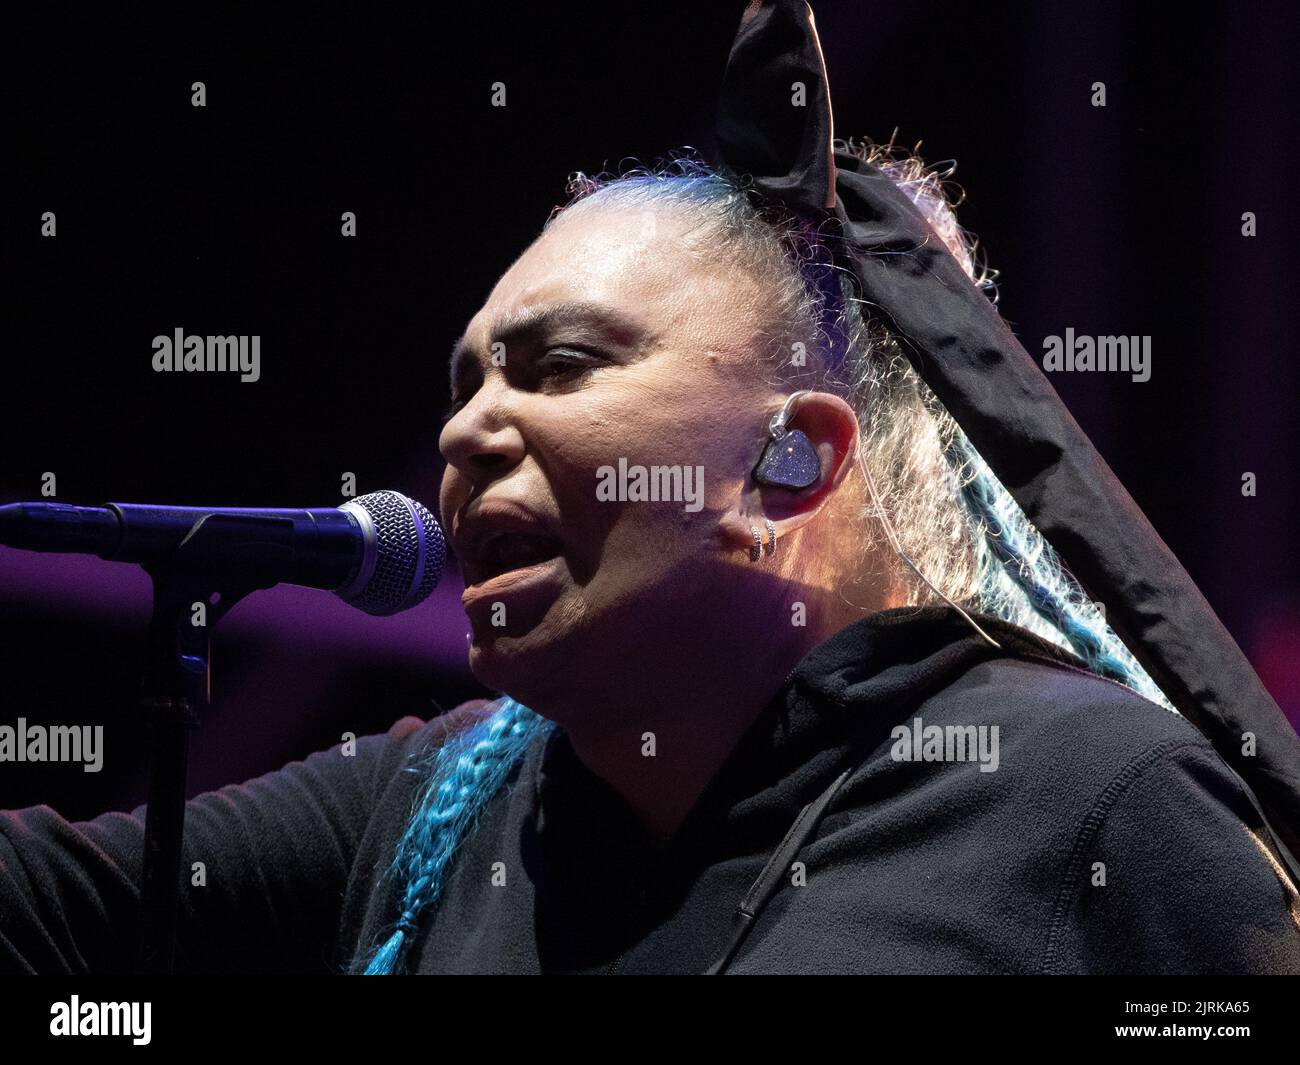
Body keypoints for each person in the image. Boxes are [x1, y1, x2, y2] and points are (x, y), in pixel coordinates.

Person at [2, 136, 1298, 975]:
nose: (464, 430)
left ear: (793, 459)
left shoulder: (1098, 800)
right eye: (463, 384)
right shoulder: (441, 808)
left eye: (557, 365)